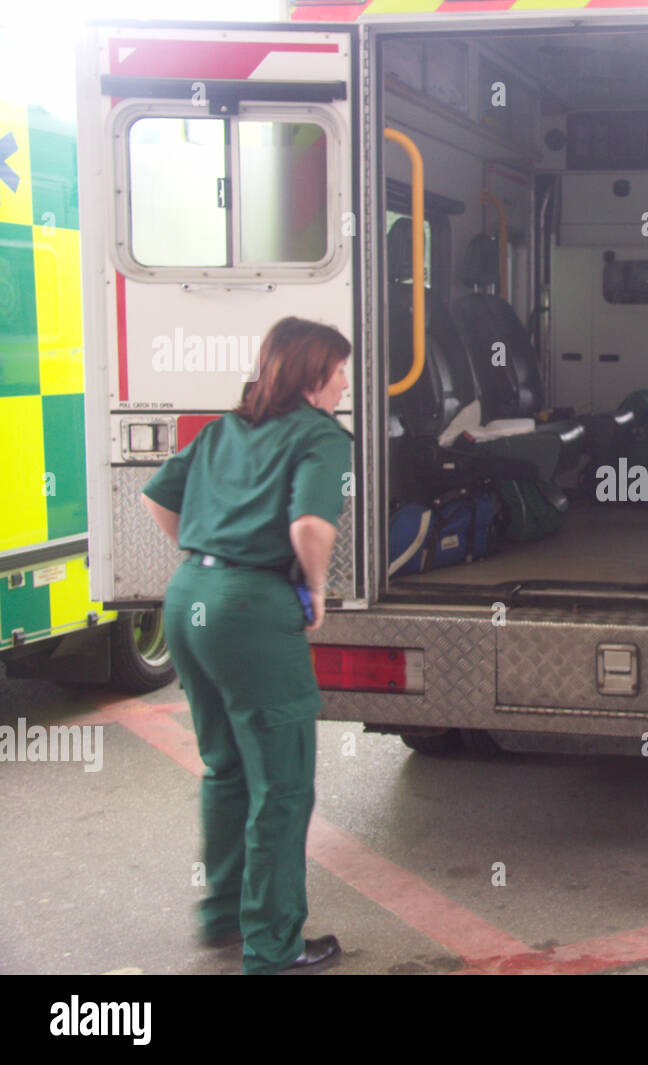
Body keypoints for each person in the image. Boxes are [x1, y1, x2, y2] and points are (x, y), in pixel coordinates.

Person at [141, 317, 354, 973]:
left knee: (227, 765)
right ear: (315, 374)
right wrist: (315, 589)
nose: (347, 380)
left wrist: (211, 549)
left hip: (189, 600)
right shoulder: (322, 435)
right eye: (341, 368)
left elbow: (158, 500)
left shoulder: (222, 429)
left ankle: (224, 914)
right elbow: (312, 525)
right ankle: (272, 944)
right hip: (252, 611)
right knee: (283, 784)